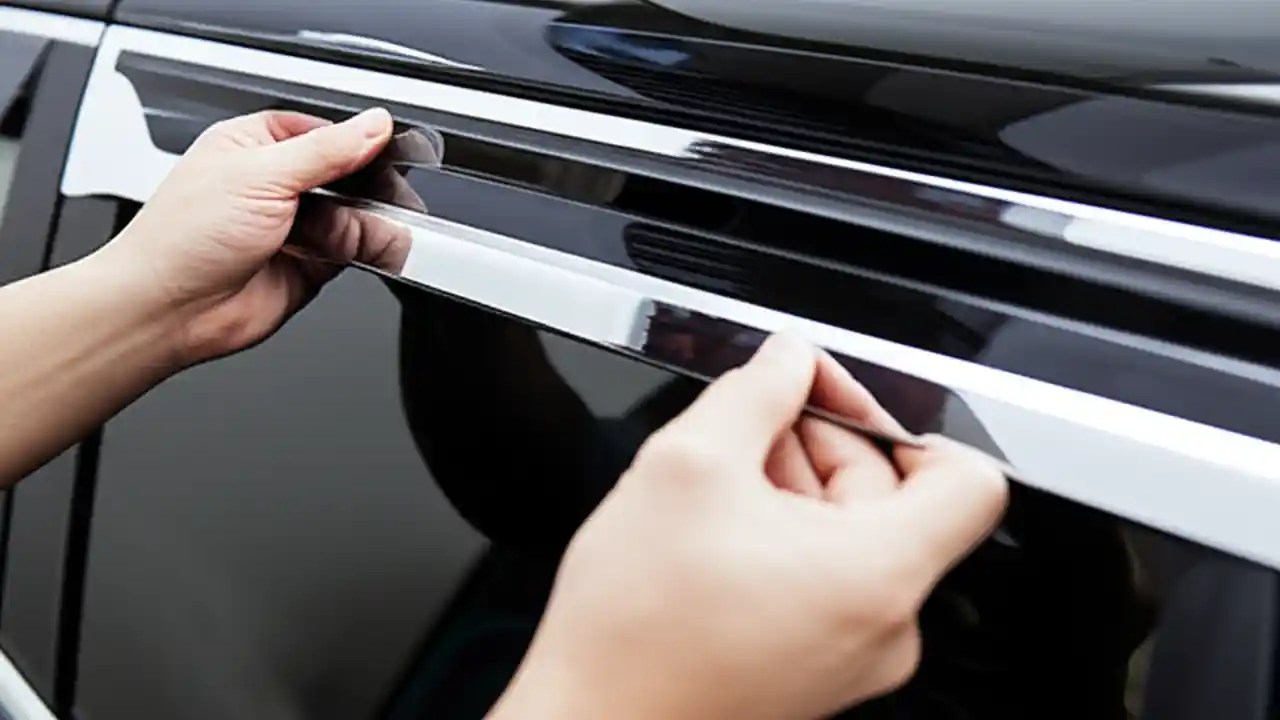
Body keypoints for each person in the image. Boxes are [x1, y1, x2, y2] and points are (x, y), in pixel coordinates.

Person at [0, 107, 1007, 718]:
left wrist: (144, 297)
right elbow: (538, 480)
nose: (698, 347)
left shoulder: (1033, 560)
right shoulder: (729, 435)